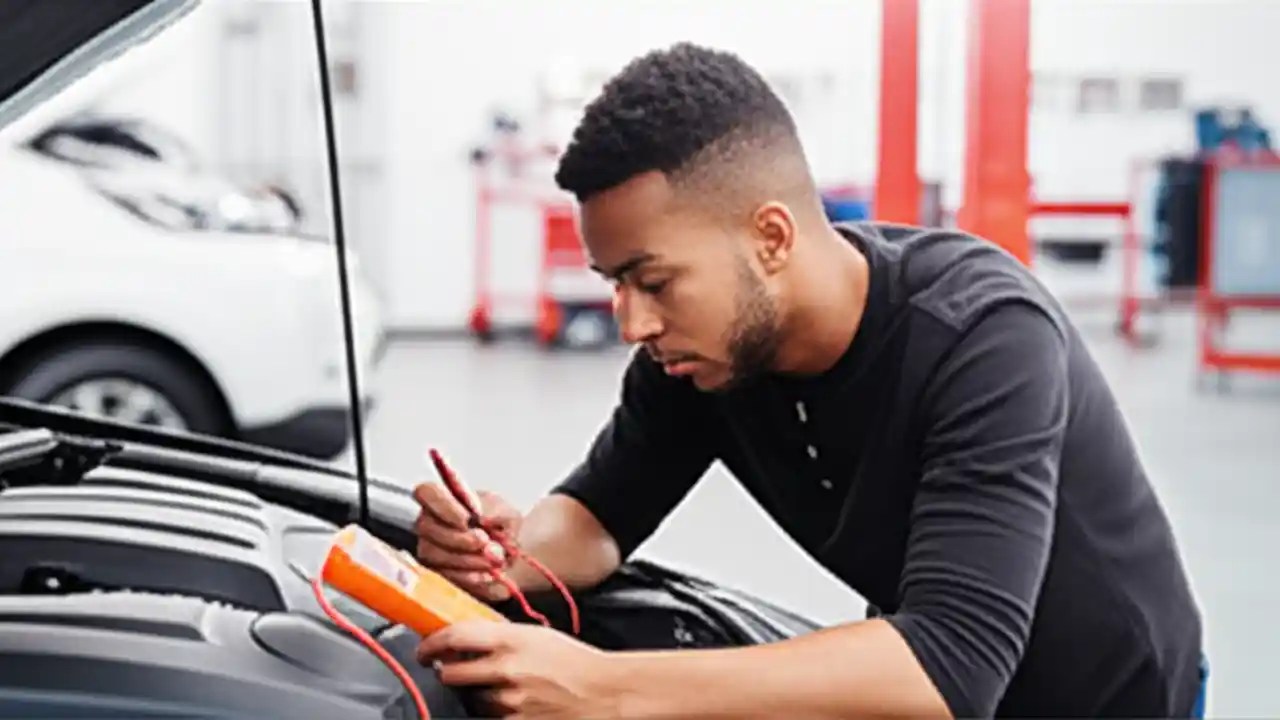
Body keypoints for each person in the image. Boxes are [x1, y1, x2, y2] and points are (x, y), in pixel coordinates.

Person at [412, 42, 1204, 719]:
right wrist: (503, 558)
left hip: (1115, 698)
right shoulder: (697, 358)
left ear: (770, 237)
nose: (632, 323)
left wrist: (603, 688)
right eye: (614, 282)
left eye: (653, 280)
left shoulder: (983, 336)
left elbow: (951, 664)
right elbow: (597, 516)